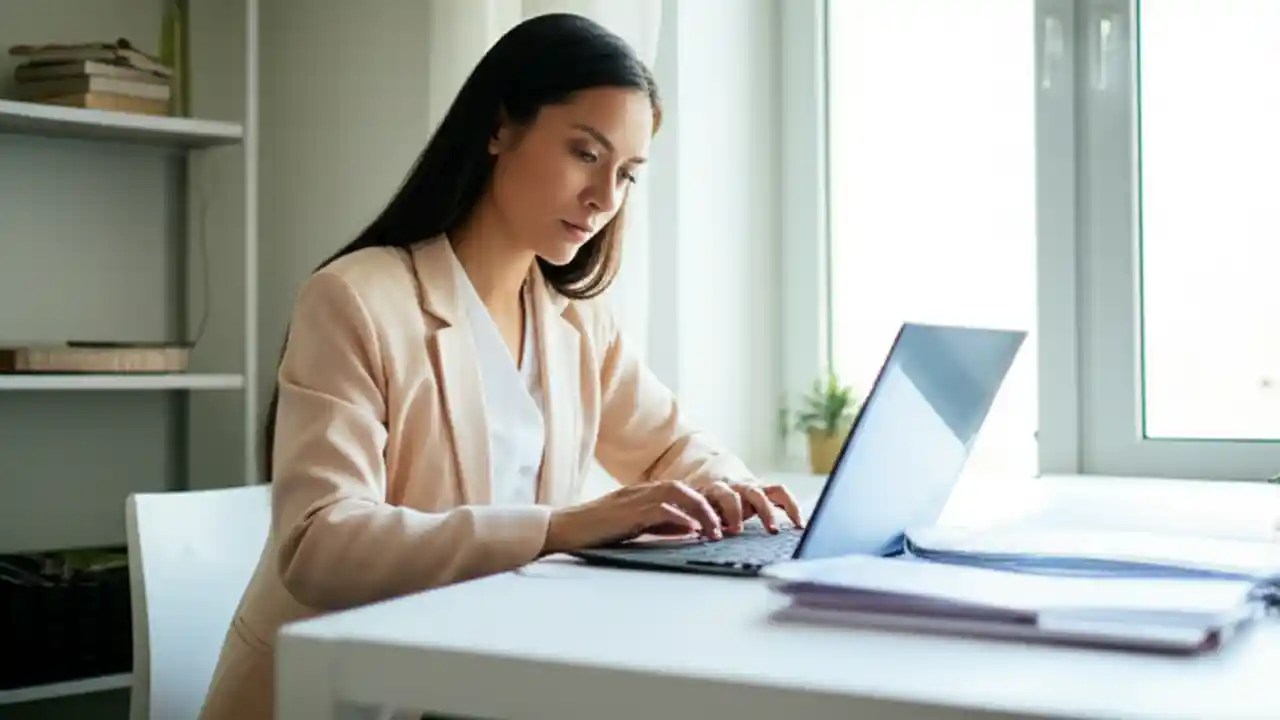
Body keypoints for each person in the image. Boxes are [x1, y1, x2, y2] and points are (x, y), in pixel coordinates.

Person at [199, 13, 803, 720]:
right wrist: (557, 526)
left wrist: (737, 496)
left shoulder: (577, 322)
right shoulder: (357, 298)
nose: (605, 198)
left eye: (627, 175)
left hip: (481, 685)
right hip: (343, 696)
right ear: (499, 128)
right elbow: (320, 543)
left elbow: (670, 446)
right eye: (585, 153)